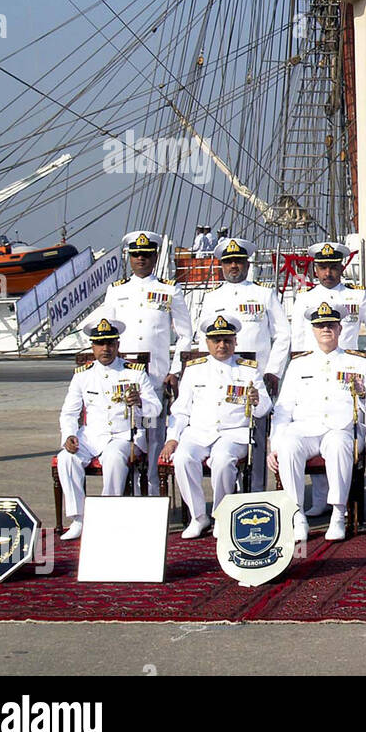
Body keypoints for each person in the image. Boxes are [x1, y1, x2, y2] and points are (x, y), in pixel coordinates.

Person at [268, 302, 366, 541]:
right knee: (288, 446)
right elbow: (283, 408)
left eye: (330, 325)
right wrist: (275, 445)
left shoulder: (358, 362)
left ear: (340, 329)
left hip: (342, 429)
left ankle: (338, 514)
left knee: (340, 445)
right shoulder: (299, 364)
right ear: (313, 330)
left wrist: (362, 392)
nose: (326, 329)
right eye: (320, 325)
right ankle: (297, 516)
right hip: (306, 429)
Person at [290, 241, 366, 516]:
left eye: (333, 266)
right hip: (313, 371)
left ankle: (337, 504)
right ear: (315, 269)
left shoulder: (357, 295)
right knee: (312, 425)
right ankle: (319, 500)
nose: (328, 272)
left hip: (349, 370)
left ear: (341, 267)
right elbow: (296, 339)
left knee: (340, 435)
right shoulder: (304, 299)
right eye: (323, 267)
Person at [161, 314, 272, 538]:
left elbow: (265, 409)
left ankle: (221, 514)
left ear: (235, 342)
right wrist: (172, 438)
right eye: (216, 340)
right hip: (199, 432)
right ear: (207, 342)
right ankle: (198, 516)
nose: (222, 345)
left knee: (222, 461)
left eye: (227, 340)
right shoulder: (194, 370)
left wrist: (257, 400)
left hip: (234, 434)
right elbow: (181, 410)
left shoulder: (249, 370)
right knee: (182, 458)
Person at [192, 237, 291, 486]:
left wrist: (273, 371)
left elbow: (283, 335)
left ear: (247, 264)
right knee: (225, 436)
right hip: (221, 376)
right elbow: (203, 339)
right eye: (228, 262)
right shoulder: (213, 298)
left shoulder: (264, 294)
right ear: (222, 266)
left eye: (238, 261)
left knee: (256, 440)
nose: (233, 266)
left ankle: (255, 492)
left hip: (256, 377)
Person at [98, 230, 192, 483]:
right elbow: (106, 333)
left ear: (155, 256)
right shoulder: (116, 291)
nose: (141, 259)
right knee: (125, 433)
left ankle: (153, 489)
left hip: (155, 376)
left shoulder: (170, 290)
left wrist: (174, 370)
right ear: (129, 257)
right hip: (124, 375)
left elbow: (185, 335)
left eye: (146, 254)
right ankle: (132, 490)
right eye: (136, 254)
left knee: (154, 436)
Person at [55, 317, 162, 540]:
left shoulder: (135, 372)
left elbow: (156, 408)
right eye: (100, 344)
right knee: (66, 458)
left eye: (110, 344)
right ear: (92, 347)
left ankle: (106, 515)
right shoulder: (82, 376)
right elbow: (69, 412)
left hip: (125, 435)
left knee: (113, 458)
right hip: (92, 436)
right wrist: (69, 435)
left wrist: (140, 402)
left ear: (117, 346)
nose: (106, 349)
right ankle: (79, 518)